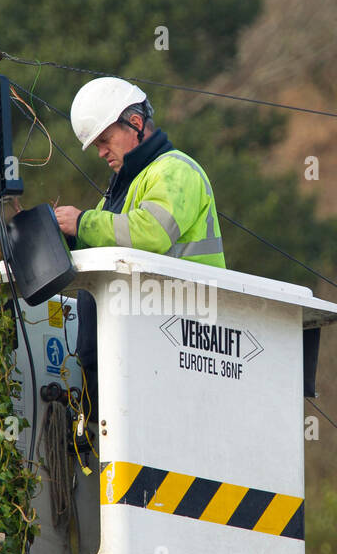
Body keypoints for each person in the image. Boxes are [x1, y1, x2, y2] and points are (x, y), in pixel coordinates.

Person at [52, 77, 225, 432]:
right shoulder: (123, 190)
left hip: (179, 337)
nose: (101, 152)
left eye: (104, 140)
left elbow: (152, 234)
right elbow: (106, 239)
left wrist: (82, 222)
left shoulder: (175, 170)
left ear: (134, 123)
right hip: (137, 348)